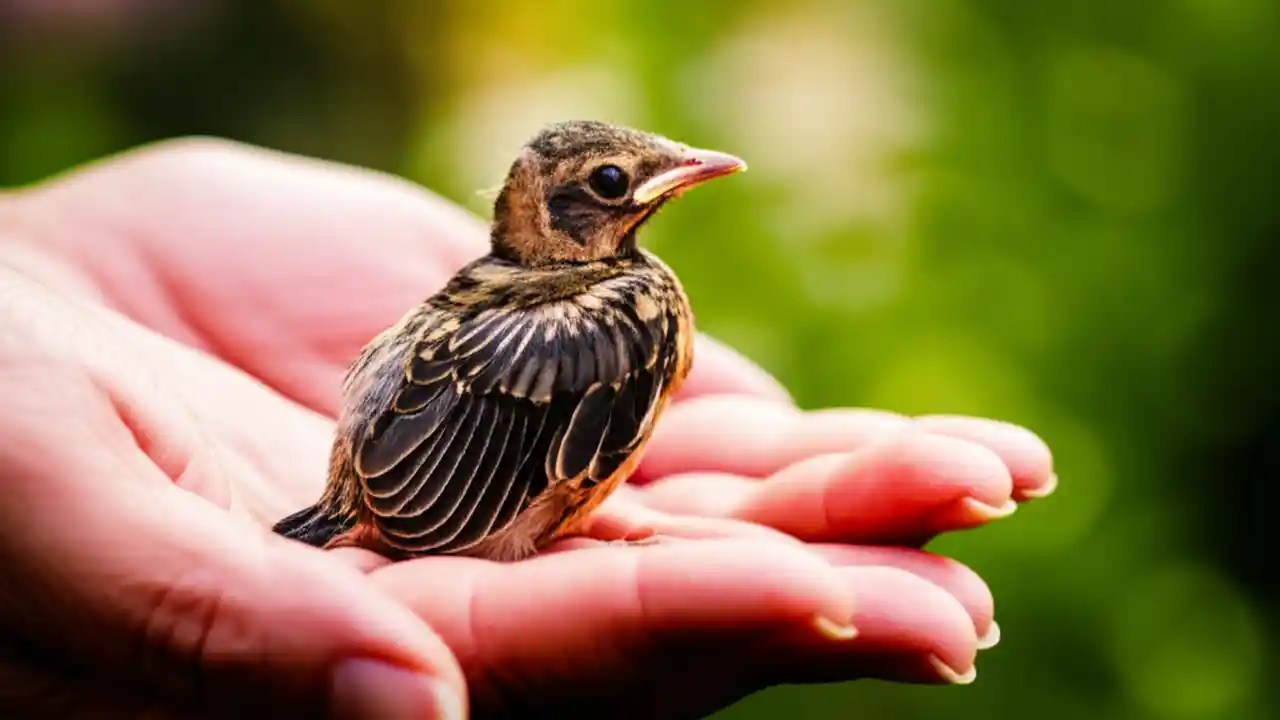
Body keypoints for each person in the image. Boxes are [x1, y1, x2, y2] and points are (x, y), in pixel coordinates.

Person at [0, 139, 1056, 719]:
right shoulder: (625, 312)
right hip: (434, 513)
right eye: (610, 185)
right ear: (557, 214)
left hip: (373, 495)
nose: (649, 184)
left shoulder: (541, 300)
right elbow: (488, 460)